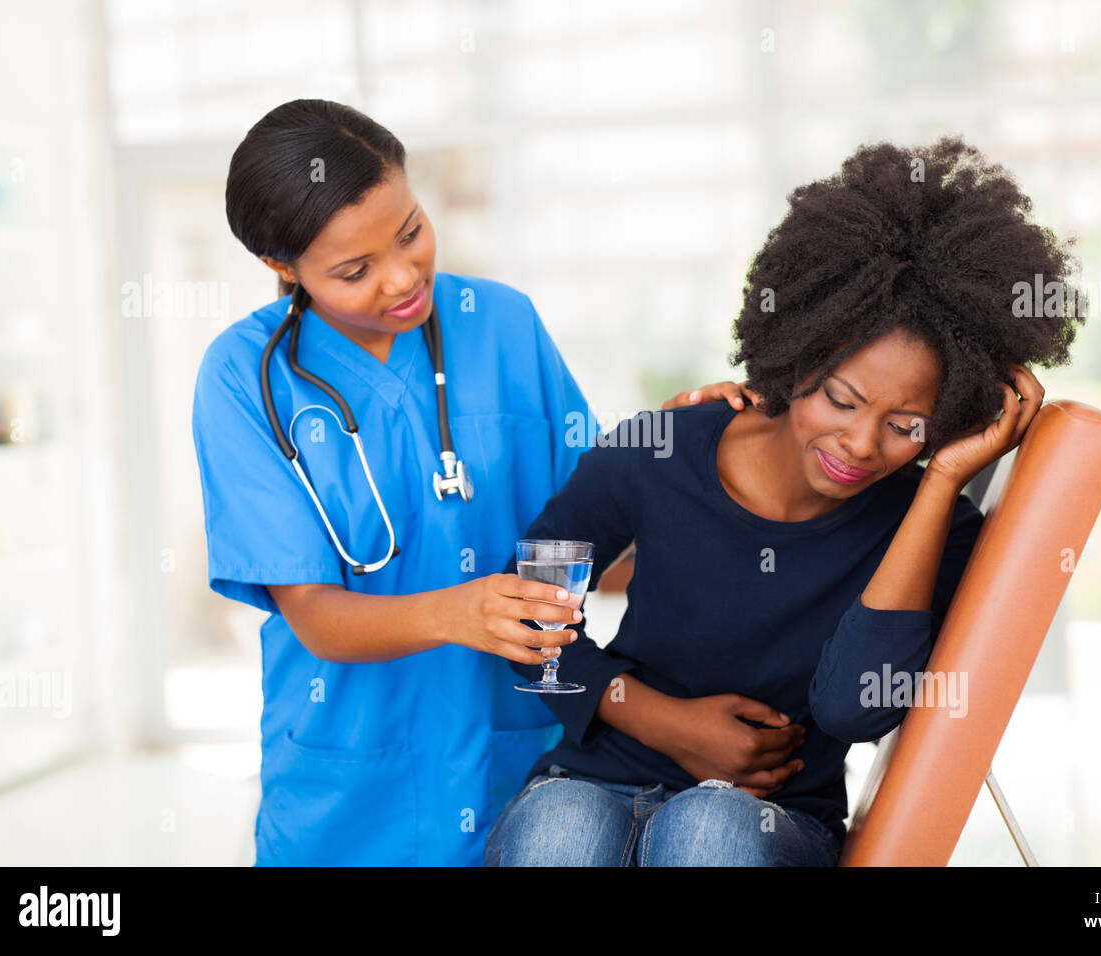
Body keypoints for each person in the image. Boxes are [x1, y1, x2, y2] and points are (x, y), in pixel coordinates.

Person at [485, 136, 1084, 866]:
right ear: (795, 351)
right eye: (841, 398)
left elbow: (854, 709)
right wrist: (664, 722)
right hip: (598, 778)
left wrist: (937, 480)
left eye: (906, 427)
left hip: (772, 819)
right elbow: (522, 619)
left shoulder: (930, 526)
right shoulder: (656, 447)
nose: (862, 444)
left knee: (703, 832)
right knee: (562, 831)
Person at [191, 98, 754, 865]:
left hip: (524, 776)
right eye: (354, 271)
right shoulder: (243, 379)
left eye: (411, 232)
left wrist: (687, 458)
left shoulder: (502, 324)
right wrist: (459, 611)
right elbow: (315, 614)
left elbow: (602, 538)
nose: (401, 280)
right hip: (350, 786)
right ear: (282, 269)